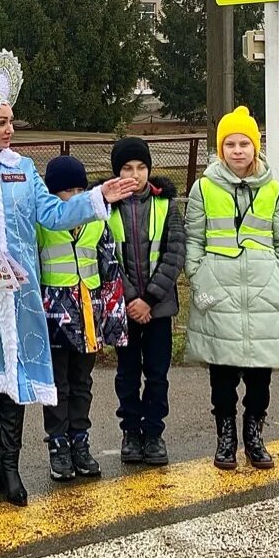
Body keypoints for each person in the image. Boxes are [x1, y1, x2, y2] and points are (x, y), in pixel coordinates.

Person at [0, 51, 138, 506]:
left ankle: (13, 465)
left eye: (11, 120)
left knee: (14, 373)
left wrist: (99, 197)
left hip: (18, 291)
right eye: (1, 122)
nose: (10, 129)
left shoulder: (22, 168)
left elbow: (54, 213)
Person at [184, 106, 279, 471]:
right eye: (230, 143)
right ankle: (226, 436)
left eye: (244, 143)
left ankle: (254, 434)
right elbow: (193, 241)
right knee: (222, 375)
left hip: (264, 294)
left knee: (260, 376)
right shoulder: (203, 188)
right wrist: (199, 280)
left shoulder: (274, 189)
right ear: (221, 149)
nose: (237, 150)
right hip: (219, 294)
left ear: (256, 147)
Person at [36, 156, 128, 481]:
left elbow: (110, 270)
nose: (74, 196)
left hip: (88, 314)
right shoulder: (43, 224)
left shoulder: (97, 221)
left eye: (79, 188)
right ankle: (57, 444)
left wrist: (113, 321)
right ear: (51, 194)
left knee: (81, 383)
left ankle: (80, 440)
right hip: (54, 318)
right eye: (65, 191)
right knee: (56, 384)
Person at [108, 137, 185, 467]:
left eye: (141, 167)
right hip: (124, 309)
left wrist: (149, 298)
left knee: (157, 374)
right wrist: (129, 299)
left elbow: (175, 253)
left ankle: (154, 433)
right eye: (127, 168)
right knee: (127, 374)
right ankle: (131, 433)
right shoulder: (106, 208)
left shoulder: (166, 205)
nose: (135, 174)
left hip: (158, 308)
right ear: (117, 171)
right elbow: (105, 258)